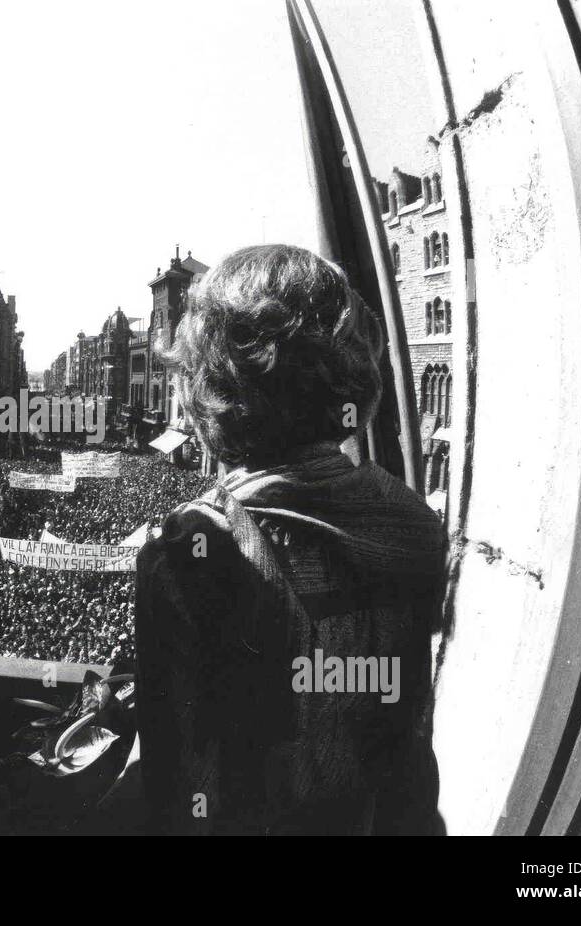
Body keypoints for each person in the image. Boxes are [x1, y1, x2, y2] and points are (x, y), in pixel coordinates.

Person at [133, 244, 445, 835]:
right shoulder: (413, 525)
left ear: (211, 389)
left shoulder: (192, 548)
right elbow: (408, 750)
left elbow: (179, 795)